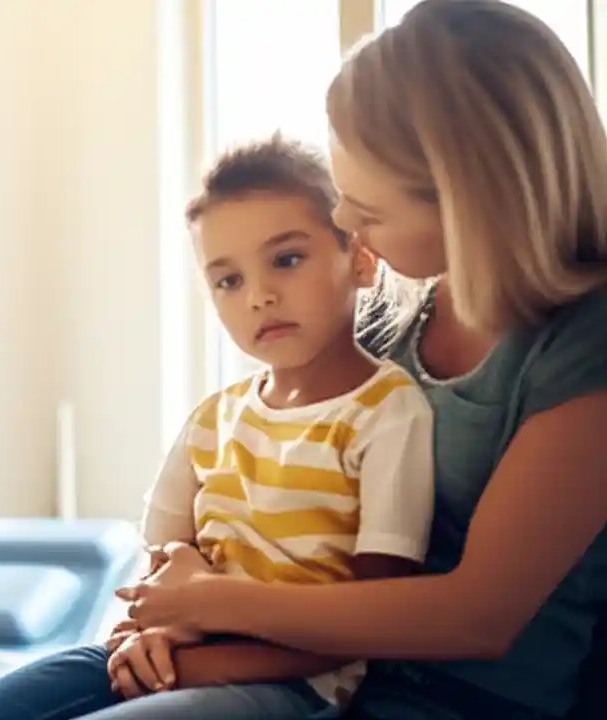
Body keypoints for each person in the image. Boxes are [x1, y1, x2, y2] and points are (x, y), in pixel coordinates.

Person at [121, 2, 607, 719]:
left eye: (367, 213)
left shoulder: (582, 346)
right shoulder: (389, 320)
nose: (345, 226)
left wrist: (212, 602)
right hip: (294, 670)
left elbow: (478, 617)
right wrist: (169, 598)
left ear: (468, 201)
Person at [0, 134, 437, 720]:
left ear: (359, 258)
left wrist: (201, 662)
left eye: (287, 259)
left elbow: (371, 620)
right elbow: (162, 563)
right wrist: (142, 638)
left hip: (294, 686)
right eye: (228, 280)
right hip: (178, 656)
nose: (260, 296)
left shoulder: (386, 411)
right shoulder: (214, 419)